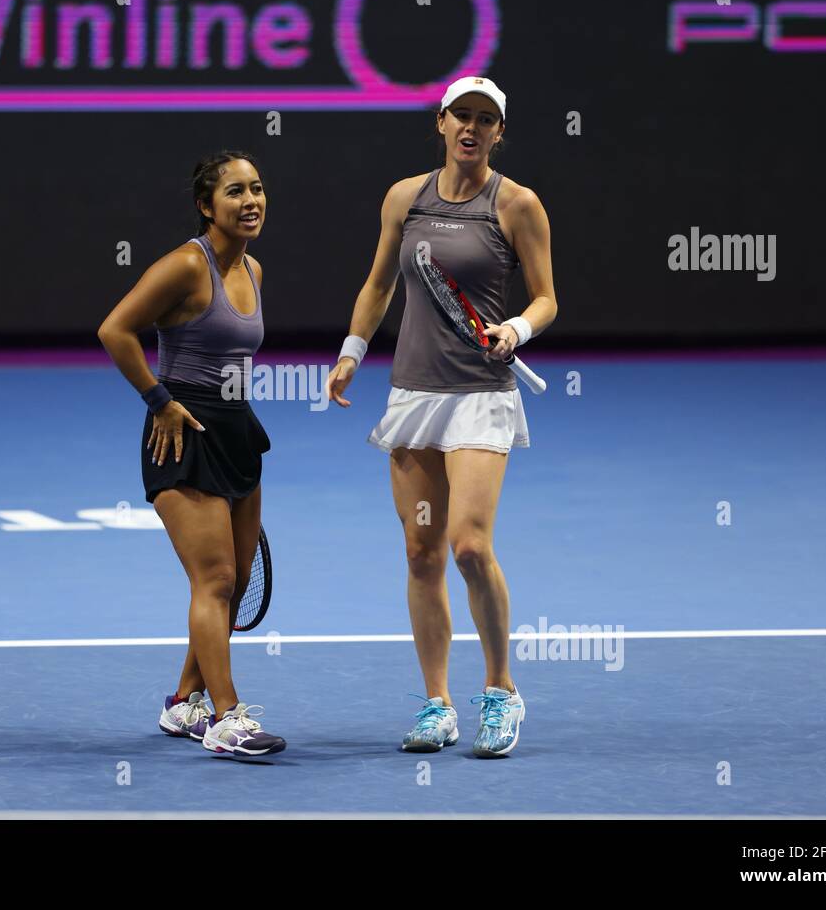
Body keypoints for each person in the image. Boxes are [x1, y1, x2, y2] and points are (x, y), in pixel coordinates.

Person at [325, 76, 558, 757]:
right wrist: (351, 350)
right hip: (414, 395)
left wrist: (516, 327)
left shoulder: (517, 204)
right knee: (422, 552)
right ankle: (437, 704)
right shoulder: (405, 196)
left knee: (468, 545)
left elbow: (547, 299)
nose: (473, 128)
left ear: (498, 133)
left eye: (487, 120)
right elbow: (379, 283)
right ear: (442, 120)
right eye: (464, 115)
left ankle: (501, 690)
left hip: (481, 396)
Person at [98, 151, 285, 757]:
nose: (250, 201)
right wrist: (158, 399)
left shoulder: (254, 270)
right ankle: (227, 718)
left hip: (238, 435)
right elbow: (115, 330)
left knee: (233, 581)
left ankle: (184, 705)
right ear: (207, 206)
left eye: (257, 189)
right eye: (235, 192)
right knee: (216, 578)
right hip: (183, 438)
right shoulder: (184, 265)